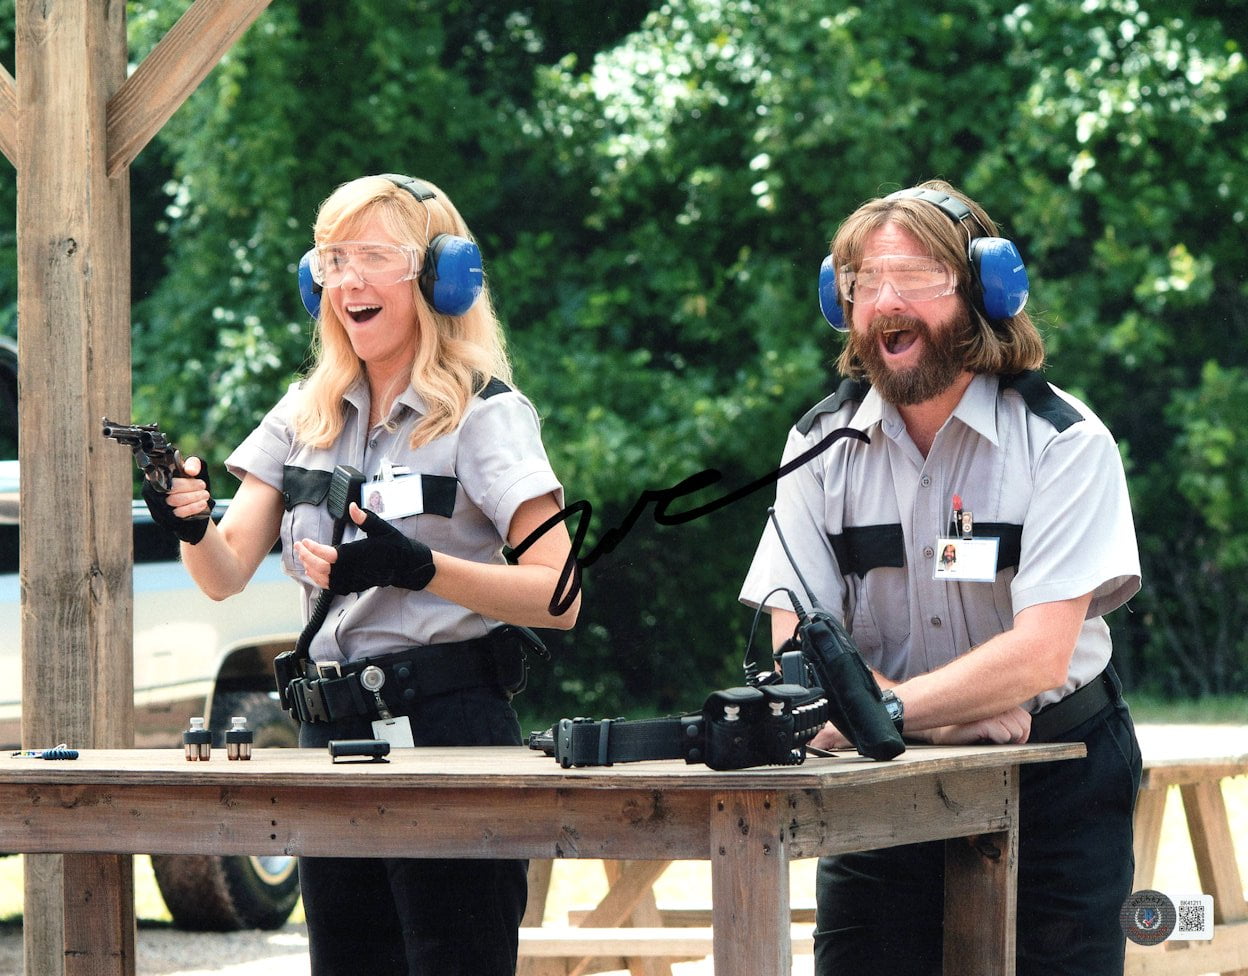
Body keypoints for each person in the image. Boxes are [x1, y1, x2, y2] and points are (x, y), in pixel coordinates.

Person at [148, 173, 580, 975]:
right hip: (330, 744)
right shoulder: (303, 413)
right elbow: (222, 572)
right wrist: (190, 521)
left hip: (449, 740)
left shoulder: (486, 414)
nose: (347, 279)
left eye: (374, 256)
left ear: (441, 273)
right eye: (332, 257)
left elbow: (559, 596)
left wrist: (422, 569)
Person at [739, 179, 1142, 975]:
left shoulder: (1065, 442)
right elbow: (796, 671)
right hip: (880, 796)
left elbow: (1037, 661)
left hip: (1057, 785)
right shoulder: (817, 445)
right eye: (864, 283)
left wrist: (877, 707)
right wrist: (941, 721)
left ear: (987, 292)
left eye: (917, 278)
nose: (888, 302)